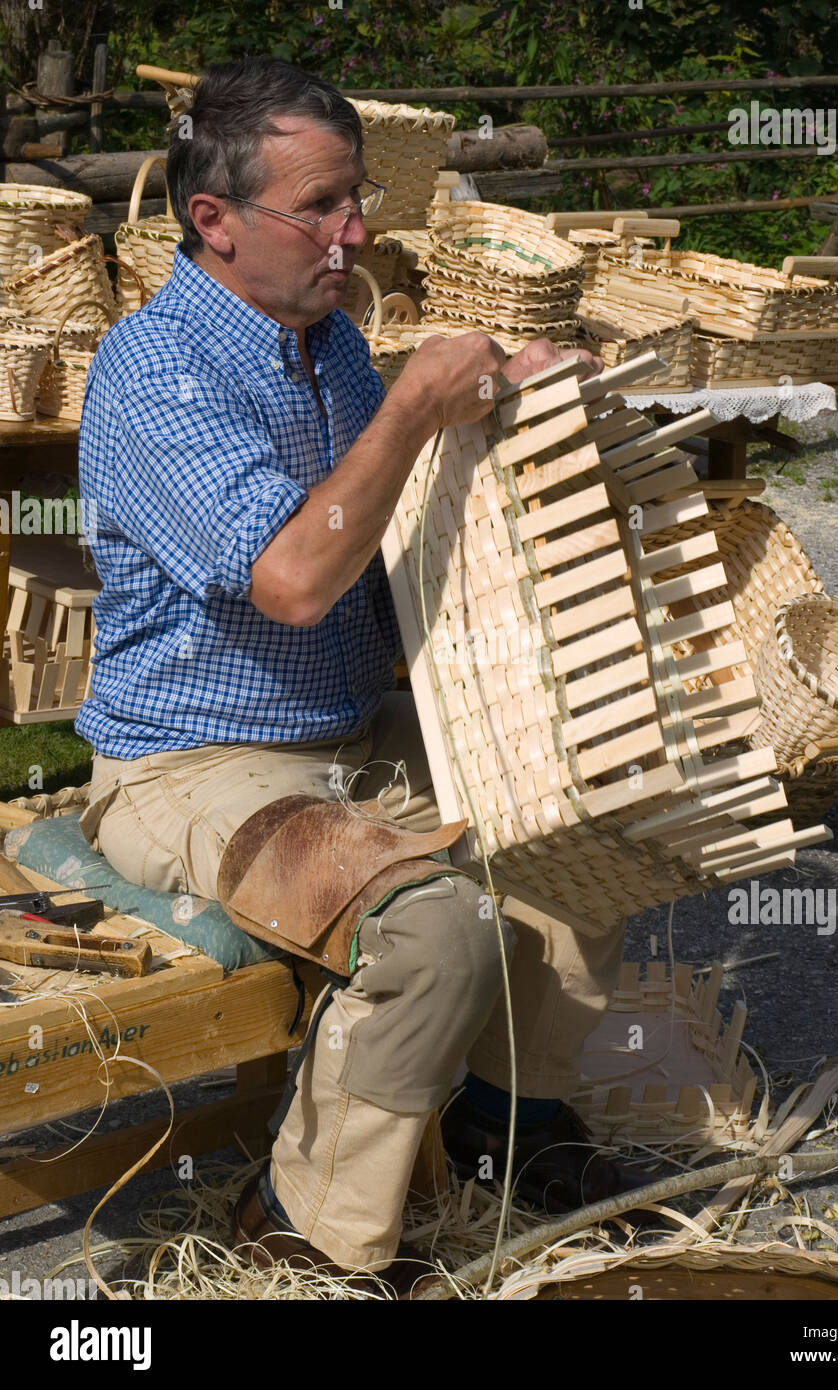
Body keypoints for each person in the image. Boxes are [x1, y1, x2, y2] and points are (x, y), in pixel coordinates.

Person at [77, 57, 653, 1299]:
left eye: (359, 204)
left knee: (590, 787)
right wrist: (410, 413)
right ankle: (301, 1230)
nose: (355, 234)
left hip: (343, 732)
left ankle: (511, 1122)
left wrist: (507, 404)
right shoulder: (154, 368)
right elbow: (291, 578)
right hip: (193, 763)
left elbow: (389, 514)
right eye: (323, 207)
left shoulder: (329, 344)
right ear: (212, 219)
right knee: (428, 927)